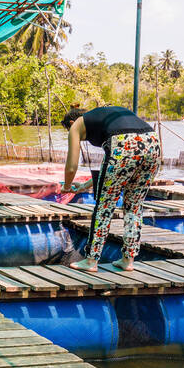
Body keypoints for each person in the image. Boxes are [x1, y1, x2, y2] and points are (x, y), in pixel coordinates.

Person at [61, 105, 161, 272]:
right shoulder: (104, 117)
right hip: (152, 143)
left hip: (124, 145)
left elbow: (71, 167)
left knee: (104, 207)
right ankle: (128, 260)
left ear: (71, 122)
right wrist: (85, 186)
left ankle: (91, 260)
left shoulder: (77, 124)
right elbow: (112, 169)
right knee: (134, 207)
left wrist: (66, 186)